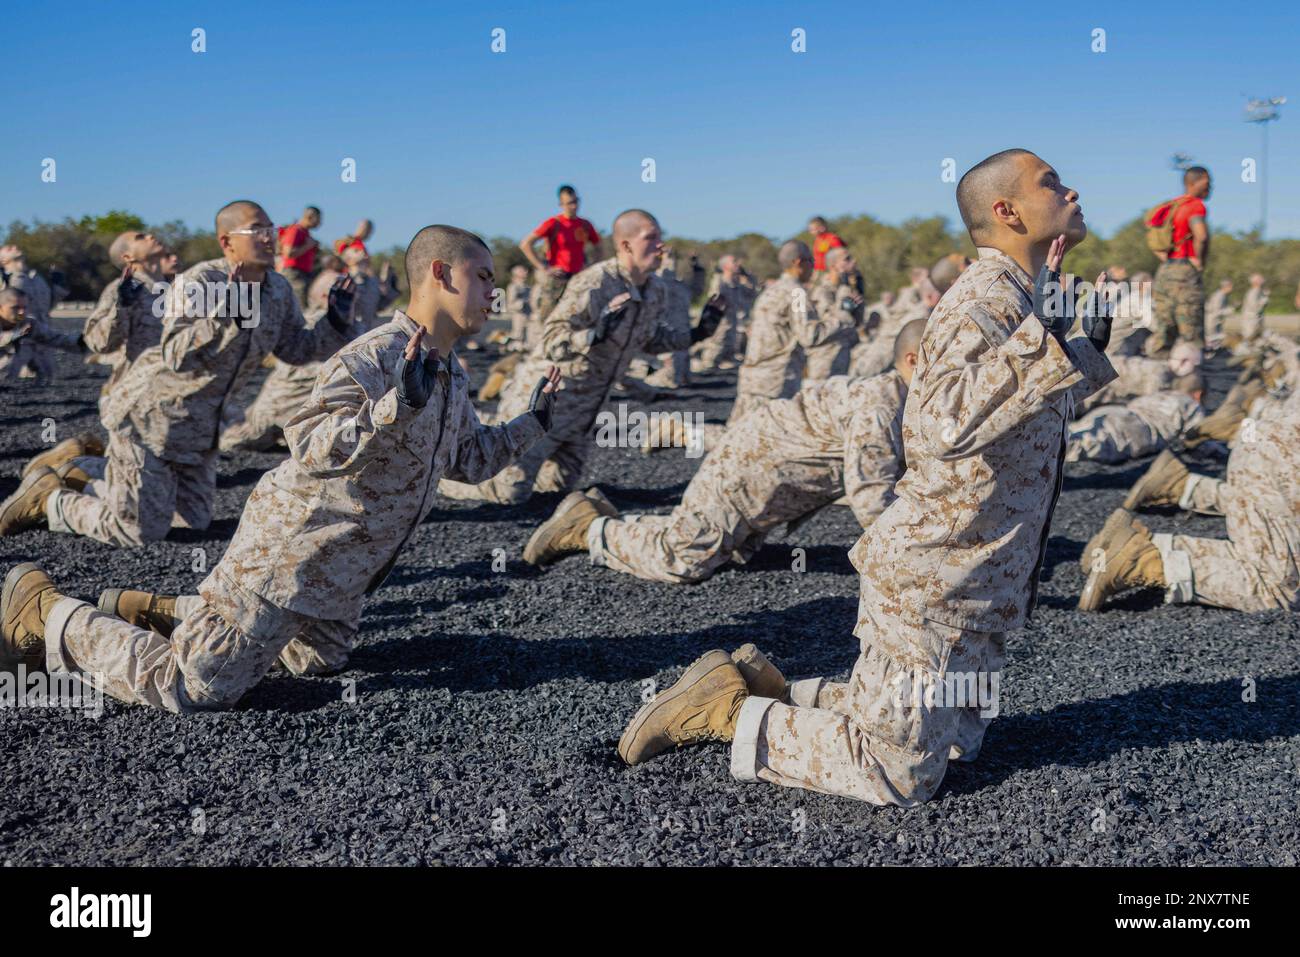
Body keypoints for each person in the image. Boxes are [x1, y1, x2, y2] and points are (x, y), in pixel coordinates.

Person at [615, 149, 1116, 808]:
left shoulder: (1021, 297)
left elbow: (1018, 425)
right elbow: (939, 423)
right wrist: (1043, 345)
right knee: (897, 771)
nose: (1070, 189)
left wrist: (1082, 352)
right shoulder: (984, 298)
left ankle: (770, 692)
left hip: (977, 580)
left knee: (955, 736)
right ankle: (723, 714)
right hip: (935, 576)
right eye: (1050, 182)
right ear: (1006, 210)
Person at [0, 225, 562, 711]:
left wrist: (530, 423)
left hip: (343, 574)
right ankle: (47, 615)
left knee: (319, 664)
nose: (494, 290)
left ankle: (178, 611)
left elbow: (465, 461)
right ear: (441, 273)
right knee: (197, 686)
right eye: (484, 276)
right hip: (290, 553)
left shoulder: (448, 372)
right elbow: (310, 445)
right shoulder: (376, 357)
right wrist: (394, 407)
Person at [0, 200, 358, 546]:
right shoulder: (200, 282)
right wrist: (225, 311)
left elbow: (295, 349)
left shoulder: (277, 289)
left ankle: (85, 470)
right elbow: (176, 355)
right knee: (138, 531)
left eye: (271, 229)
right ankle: (50, 500)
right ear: (227, 241)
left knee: (191, 524)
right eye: (256, 229)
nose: (269, 237)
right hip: (150, 418)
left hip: (201, 432)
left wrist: (334, 323)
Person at [524, 318, 926, 582]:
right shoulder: (882, 405)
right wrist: (921, 564)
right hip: (749, 472)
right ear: (912, 359)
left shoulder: (898, 397)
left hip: (768, 479)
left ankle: (603, 515)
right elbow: (872, 498)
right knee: (684, 559)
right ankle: (589, 529)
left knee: (722, 550)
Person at [438, 210, 720, 505]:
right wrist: (592, 334)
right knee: (510, 493)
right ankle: (445, 481)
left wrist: (701, 331)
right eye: (651, 238)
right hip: (549, 402)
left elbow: (651, 341)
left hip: (585, 413)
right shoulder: (597, 283)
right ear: (625, 246)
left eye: (661, 238)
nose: (661, 245)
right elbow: (551, 340)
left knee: (556, 492)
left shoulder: (655, 290)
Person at [1080, 383, 1300, 614]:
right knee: (1279, 588)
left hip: (1265, 438)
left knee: (1270, 551)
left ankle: (1146, 539)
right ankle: (1143, 561)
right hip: (1280, 457)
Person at [727, 240, 838, 426]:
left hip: (753, 378)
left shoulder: (771, 291)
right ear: (798, 262)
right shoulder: (796, 293)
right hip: (775, 382)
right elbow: (809, 335)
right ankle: (680, 432)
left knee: (736, 438)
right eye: (811, 261)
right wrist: (840, 320)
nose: (814, 267)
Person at [1066, 373, 1203, 464]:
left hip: (1115, 412)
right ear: (1198, 394)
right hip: (1135, 428)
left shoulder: (1160, 394)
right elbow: (1198, 436)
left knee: (1071, 432)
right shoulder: (1192, 405)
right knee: (1082, 445)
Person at [1147, 166, 1211, 356]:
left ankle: (1162, 371)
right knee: (1192, 331)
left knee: (1165, 327)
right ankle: (1194, 379)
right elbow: (1202, 236)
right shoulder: (1195, 205)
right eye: (1207, 182)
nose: (1211, 187)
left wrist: (1166, 258)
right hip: (1185, 271)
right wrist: (1199, 261)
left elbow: (1153, 239)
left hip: (1165, 271)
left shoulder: (1171, 206)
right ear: (1193, 183)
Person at [520, 185, 602, 324]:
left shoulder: (585, 224)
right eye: (570, 202)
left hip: (578, 278)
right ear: (561, 204)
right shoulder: (553, 223)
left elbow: (599, 248)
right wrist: (544, 268)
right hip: (557, 279)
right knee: (549, 320)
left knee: (577, 318)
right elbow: (525, 244)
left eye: (576, 201)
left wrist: (590, 267)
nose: (574, 205)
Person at [0, 288, 84, 383]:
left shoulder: (27, 323)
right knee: (20, 344)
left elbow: (53, 338)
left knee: (34, 346)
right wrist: (16, 335)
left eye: (24, 307)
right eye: (15, 308)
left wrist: (82, 341)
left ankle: (40, 380)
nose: (21, 312)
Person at [804, 248, 863, 381]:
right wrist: (844, 303)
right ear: (833, 266)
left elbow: (856, 323)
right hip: (824, 358)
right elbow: (827, 322)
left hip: (843, 353)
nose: (853, 262)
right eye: (846, 259)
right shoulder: (822, 290)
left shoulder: (847, 288)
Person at [278, 206, 322, 306]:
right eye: (318, 219)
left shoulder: (305, 232)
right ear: (310, 217)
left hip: (303, 274)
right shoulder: (295, 230)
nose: (319, 223)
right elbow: (288, 253)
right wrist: (307, 246)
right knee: (299, 305)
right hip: (294, 274)